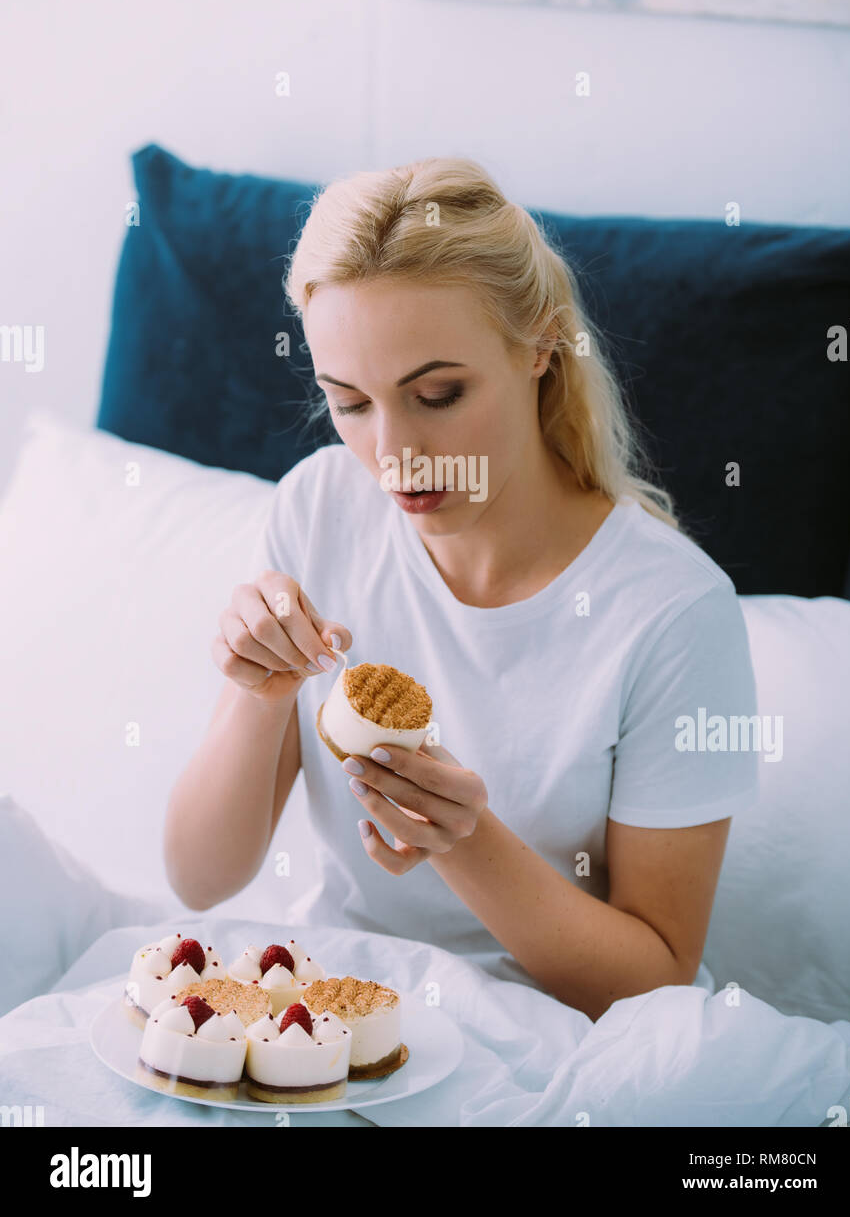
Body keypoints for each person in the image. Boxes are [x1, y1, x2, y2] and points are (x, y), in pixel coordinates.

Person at [164, 157, 759, 1023]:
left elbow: (656, 981)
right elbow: (199, 877)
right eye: (350, 402)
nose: (394, 453)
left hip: (551, 1039)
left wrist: (464, 841)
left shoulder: (671, 611)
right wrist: (259, 695)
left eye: (437, 394)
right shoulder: (321, 507)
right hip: (331, 1010)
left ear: (540, 346)